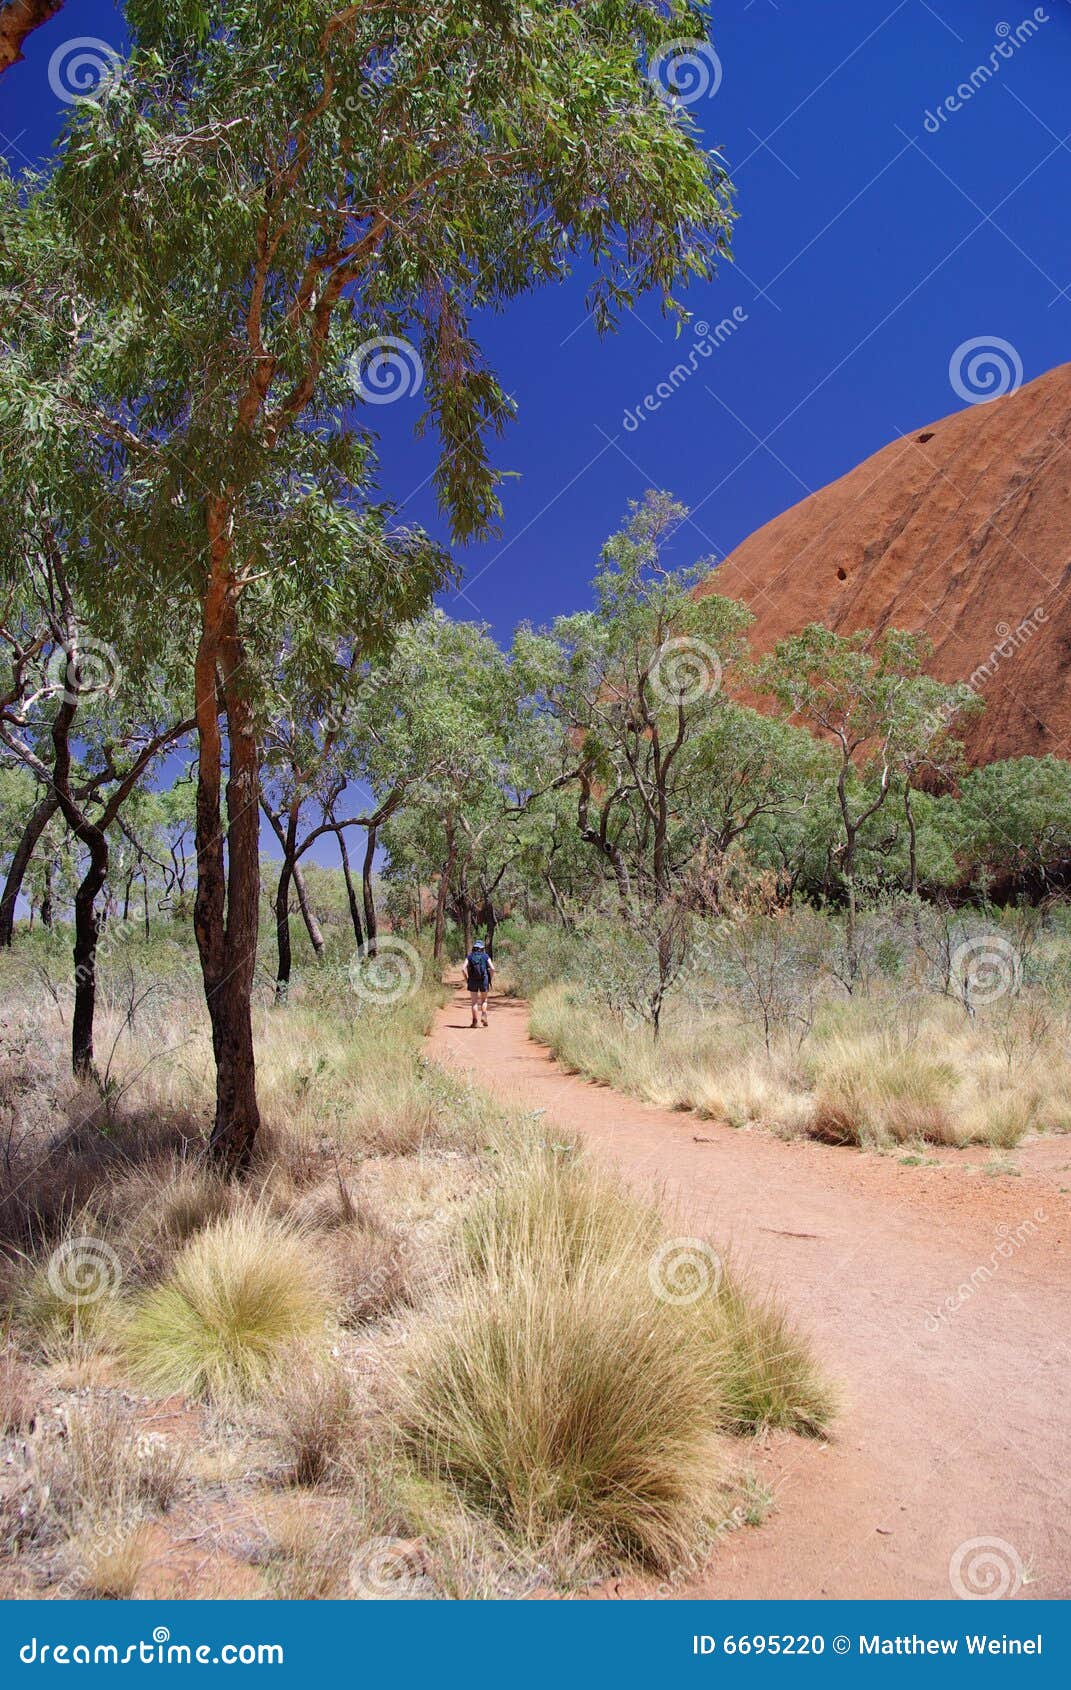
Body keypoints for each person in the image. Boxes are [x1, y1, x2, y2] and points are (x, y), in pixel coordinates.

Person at [465, 939, 494, 1028]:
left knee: (474, 1002)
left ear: (474, 948)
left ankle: (474, 1022)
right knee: (484, 1000)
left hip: (472, 980)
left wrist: (467, 979)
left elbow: (463, 968)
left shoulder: (470, 956)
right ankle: (484, 1015)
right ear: (482, 948)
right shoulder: (485, 956)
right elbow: (492, 968)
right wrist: (490, 978)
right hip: (484, 979)